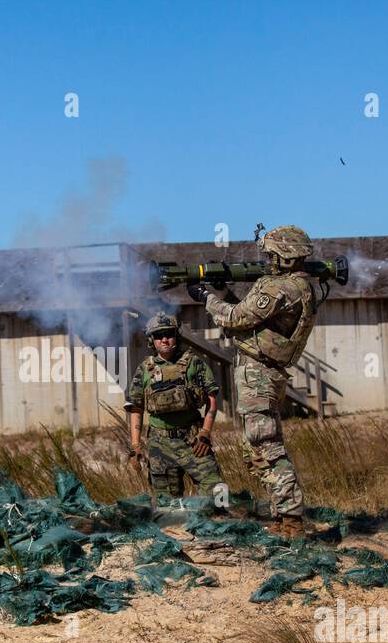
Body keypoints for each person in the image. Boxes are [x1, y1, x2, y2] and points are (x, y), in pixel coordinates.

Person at [188, 225, 317, 536]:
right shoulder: (293, 287)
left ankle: (291, 520)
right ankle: (282, 516)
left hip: (259, 374)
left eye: (271, 255)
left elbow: (235, 318)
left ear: (285, 258)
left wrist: (205, 297)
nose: (267, 260)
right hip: (260, 372)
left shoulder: (281, 288)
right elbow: (253, 317)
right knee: (255, 451)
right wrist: (224, 293)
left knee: (266, 446)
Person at [124, 312, 223, 499]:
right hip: (159, 446)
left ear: (176, 336)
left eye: (168, 335)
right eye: (159, 336)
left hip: (194, 441)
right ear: (152, 340)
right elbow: (136, 408)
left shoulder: (194, 363)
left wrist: (205, 433)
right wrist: (135, 446)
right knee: (167, 506)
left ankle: (217, 524)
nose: (164, 340)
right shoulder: (145, 369)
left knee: (217, 494)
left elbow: (212, 400)